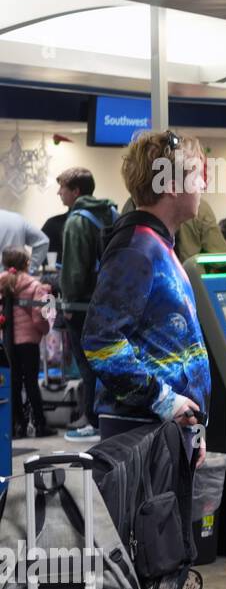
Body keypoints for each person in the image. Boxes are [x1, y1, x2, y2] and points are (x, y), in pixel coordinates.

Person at [80, 129, 211, 589]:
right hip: (138, 442)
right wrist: (165, 401)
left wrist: (190, 421)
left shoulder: (160, 244)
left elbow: (165, 342)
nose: (203, 181)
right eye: (193, 170)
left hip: (162, 439)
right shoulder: (135, 248)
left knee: (164, 570)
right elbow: (102, 342)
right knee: (146, 571)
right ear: (168, 182)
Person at [56, 166, 117, 443]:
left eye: (63, 188)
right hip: (109, 301)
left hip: (82, 305)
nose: (59, 193)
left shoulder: (76, 221)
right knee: (105, 361)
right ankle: (105, 415)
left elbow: (74, 270)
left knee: (86, 364)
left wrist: (67, 301)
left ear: (76, 191)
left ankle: (90, 420)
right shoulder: (110, 213)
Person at [2, 246, 52, 437]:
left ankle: (17, 426)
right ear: (26, 263)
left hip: (7, 342)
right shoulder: (34, 285)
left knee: (12, 383)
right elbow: (39, 316)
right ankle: (39, 425)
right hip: (29, 342)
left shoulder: (3, 283)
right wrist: (45, 330)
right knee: (31, 382)